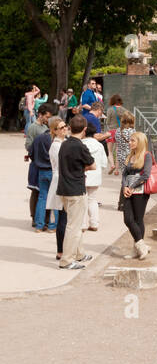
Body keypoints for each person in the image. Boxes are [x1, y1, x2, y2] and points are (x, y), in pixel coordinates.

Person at [57, 114, 94, 270]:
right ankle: (67, 260)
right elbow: (92, 165)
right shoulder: (80, 146)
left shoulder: (64, 144)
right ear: (85, 129)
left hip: (64, 189)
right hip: (76, 190)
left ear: (70, 128)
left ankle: (79, 254)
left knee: (74, 224)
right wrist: (81, 168)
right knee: (74, 226)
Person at [121, 131, 153, 258]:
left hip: (140, 192)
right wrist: (124, 187)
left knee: (138, 219)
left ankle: (137, 249)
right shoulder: (130, 156)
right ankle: (142, 246)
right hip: (127, 191)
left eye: (132, 140)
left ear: (140, 142)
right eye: (130, 140)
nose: (130, 142)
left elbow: (146, 175)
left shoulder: (146, 156)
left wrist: (132, 187)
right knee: (128, 219)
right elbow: (124, 174)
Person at [45, 117, 70, 262]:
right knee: (62, 218)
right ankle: (60, 250)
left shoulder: (62, 143)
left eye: (65, 126)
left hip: (62, 180)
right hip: (60, 181)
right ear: (54, 131)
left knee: (64, 217)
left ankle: (62, 249)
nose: (65, 129)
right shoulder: (56, 145)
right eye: (61, 128)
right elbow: (61, 165)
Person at [24, 105, 54, 223]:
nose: (47, 119)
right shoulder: (33, 127)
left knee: (44, 192)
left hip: (45, 163)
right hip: (37, 164)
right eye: (46, 116)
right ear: (40, 114)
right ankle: (34, 218)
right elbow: (28, 145)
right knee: (36, 191)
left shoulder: (45, 127)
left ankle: (42, 217)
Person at [31, 117, 56, 233]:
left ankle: (39, 225)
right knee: (54, 198)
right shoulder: (57, 140)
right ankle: (52, 225)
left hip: (42, 170)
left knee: (42, 197)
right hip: (54, 171)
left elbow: (31, 153)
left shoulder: (39, 138)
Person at [82, 126, 108, 230]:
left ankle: (82, 224)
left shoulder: (81, 144)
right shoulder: (99, 145)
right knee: (92, 200)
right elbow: (104, 163)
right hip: (95, 176)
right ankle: (94, 223)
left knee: (82, 201)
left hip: (83, 175)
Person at [104, 94, 127, 174]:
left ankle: (112, 165)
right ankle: (117, 170)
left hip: (111, 132)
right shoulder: (124, 110)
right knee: (118, 151)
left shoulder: (110, 110)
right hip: (120, 132)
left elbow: (107, 122)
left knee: (109, 150)